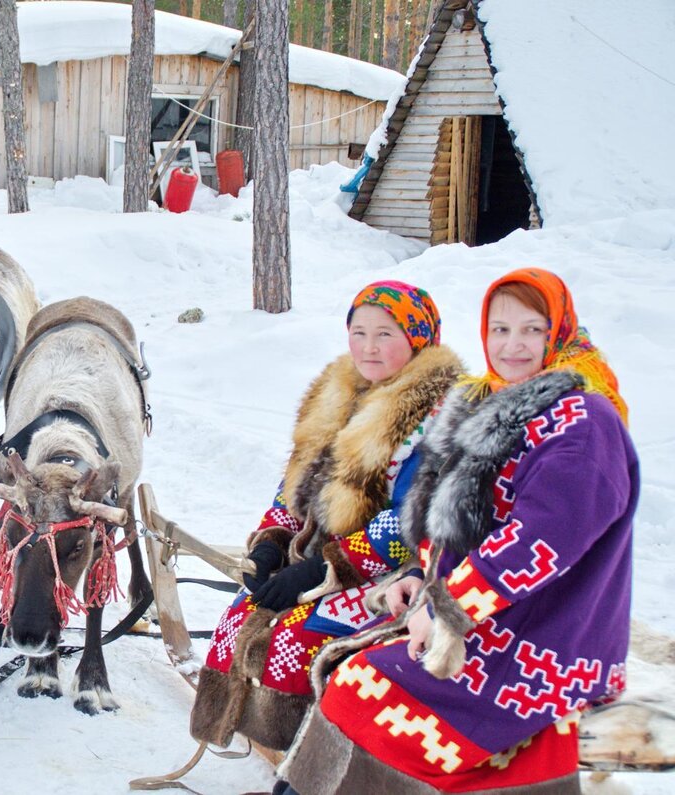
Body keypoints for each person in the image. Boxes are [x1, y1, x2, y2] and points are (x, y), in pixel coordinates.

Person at [279, 268, 636, 794]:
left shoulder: (582, 422)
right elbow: (455, 523)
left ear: (558, 331)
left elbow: (534, 546)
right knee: (352, 679)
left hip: (544, 639)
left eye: (531, 330)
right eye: (500, 329)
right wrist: (419, 575)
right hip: (485, 613)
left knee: (363, 689)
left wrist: (442, 606)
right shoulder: (493, 402)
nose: (512, 345)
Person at [190, 281, 463, 752]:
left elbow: (410, 520)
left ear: (418, 338)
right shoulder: (336, 394)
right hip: (318, 557)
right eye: (359, 332)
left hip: (395, 572)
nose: (368, 347)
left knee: (296, 638)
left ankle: (307, 756)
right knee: (239, 617)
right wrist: (273, 542)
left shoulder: (439, 416)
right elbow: (295, 484)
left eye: (385, 334)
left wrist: (324, 568)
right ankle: (244, 729)